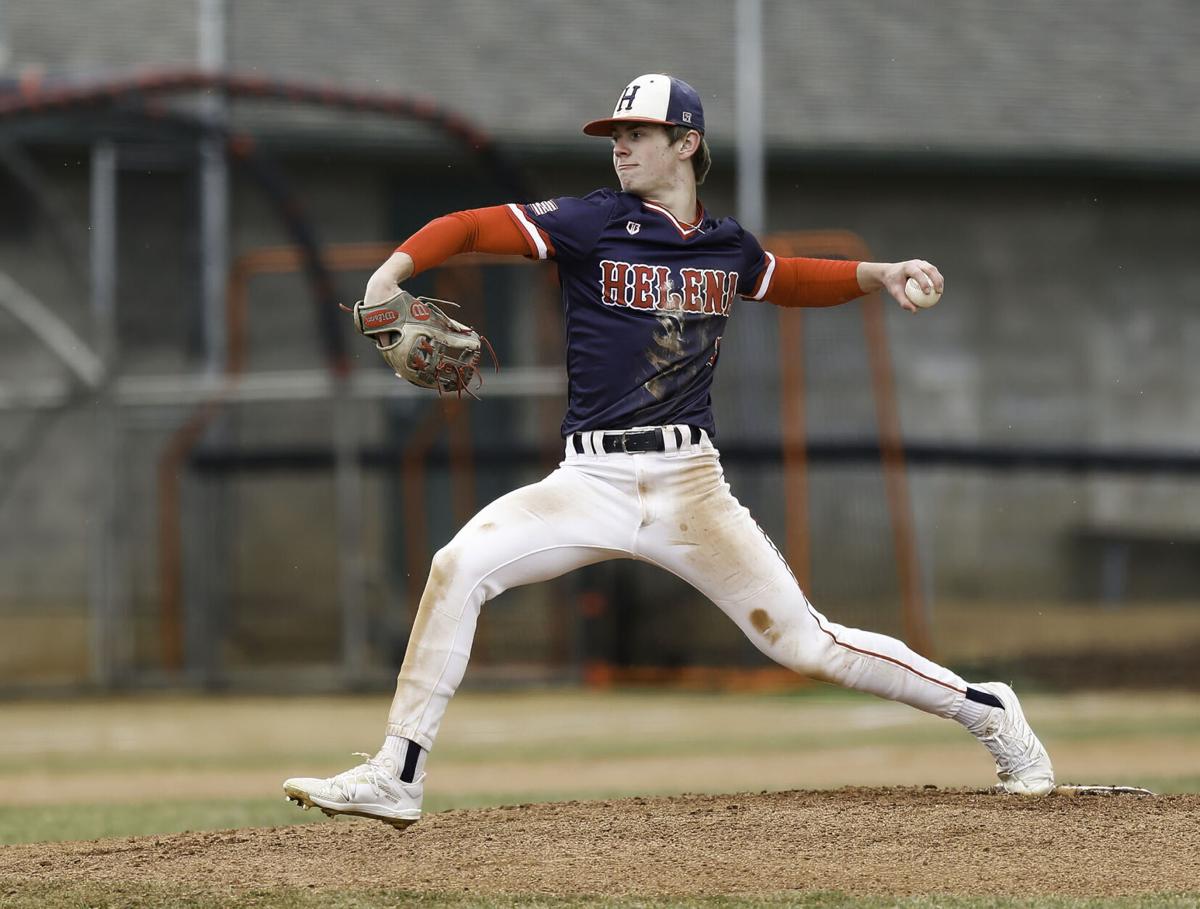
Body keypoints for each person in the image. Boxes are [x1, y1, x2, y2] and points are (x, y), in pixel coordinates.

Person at [283, 74, 1054, 828]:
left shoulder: (725, 244)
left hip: (690, 488)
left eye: (638, 133)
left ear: (687, 143)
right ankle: (398, 775)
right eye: (616, 135)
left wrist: (879, 273)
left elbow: (787, 279)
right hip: (589, 482)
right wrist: (390, 274)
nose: (620, 147)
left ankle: (988, 708)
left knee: (806, 645)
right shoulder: (591, 221)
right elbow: (470, 226)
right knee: (458, 566)